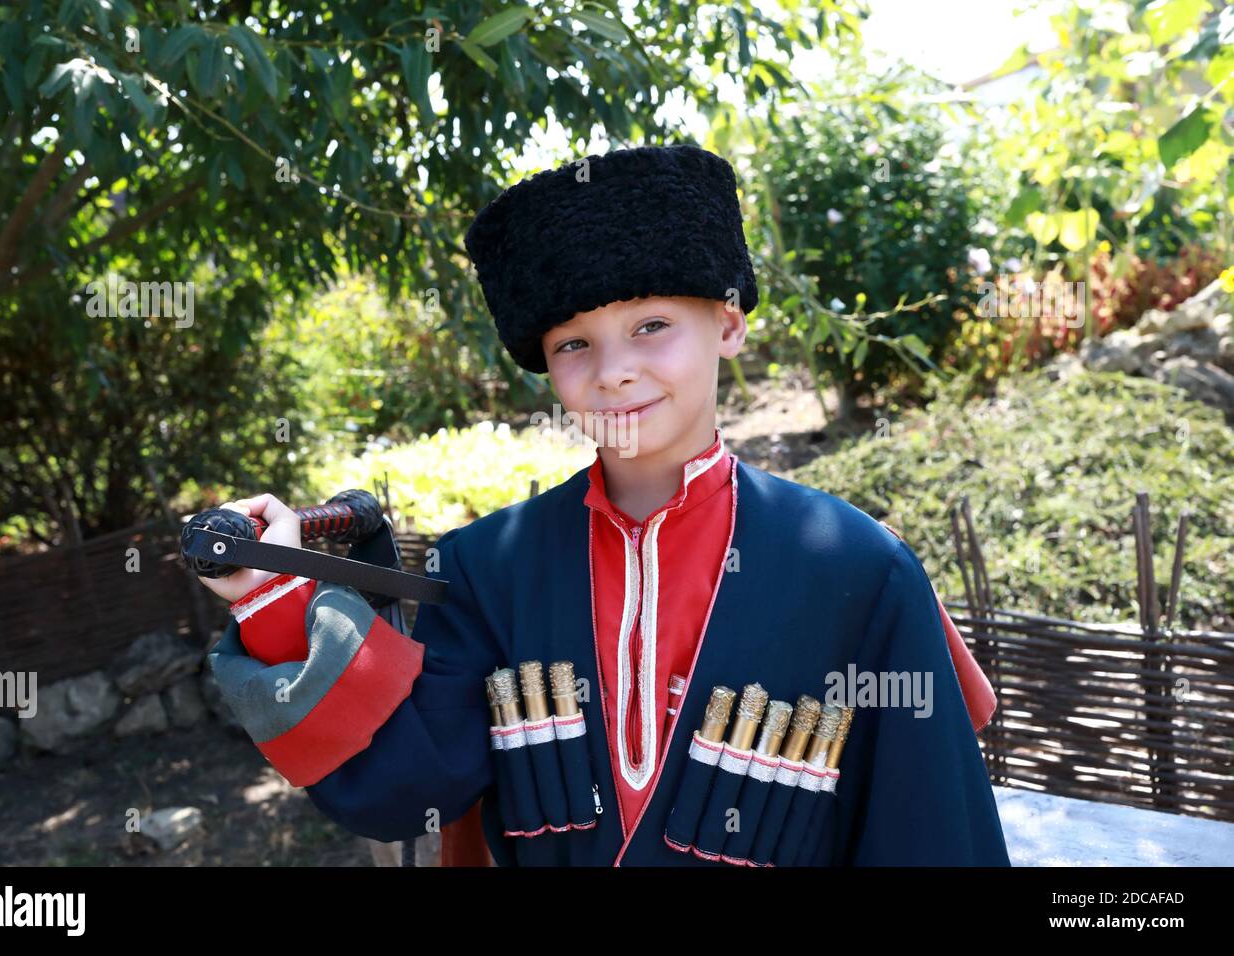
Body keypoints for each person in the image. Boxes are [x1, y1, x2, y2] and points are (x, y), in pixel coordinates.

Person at [201, 143, 1010, 866]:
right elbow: (405, 790)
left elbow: (928, 831)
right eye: (573, 344)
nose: (613, 371)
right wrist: (273, 597)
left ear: (728, 323)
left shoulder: (856, 568)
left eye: (651, 324)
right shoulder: (488, 568)